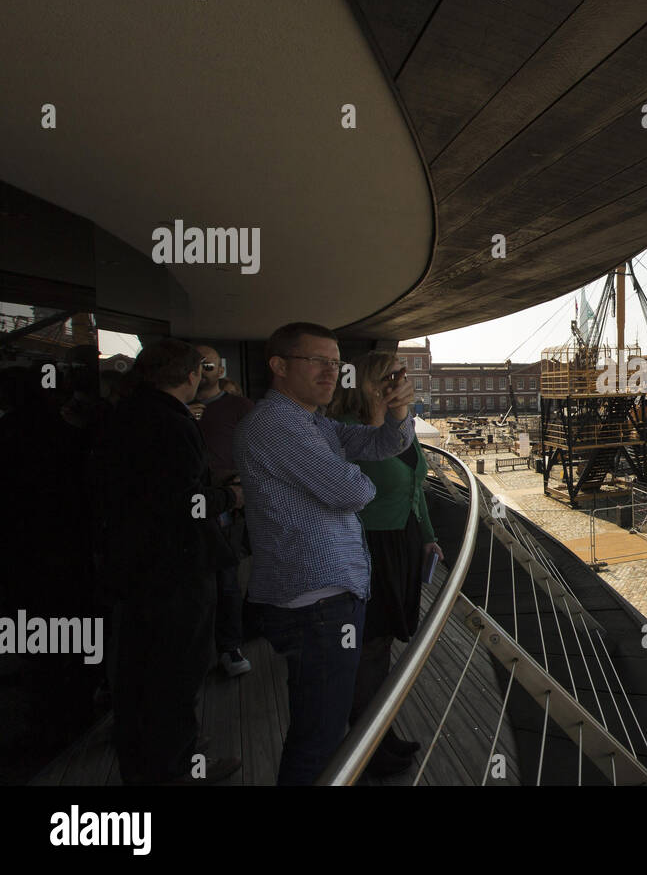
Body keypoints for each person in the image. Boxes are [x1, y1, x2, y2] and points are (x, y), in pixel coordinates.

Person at [233, 322, 416, 785]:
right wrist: (355, 474)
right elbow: (352, 491)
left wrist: (398, 412)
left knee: (323, 726)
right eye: (316, 361)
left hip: (326, 598)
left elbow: (382, 443)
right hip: (314, 604)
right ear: (278, 366)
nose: (330, 372)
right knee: (319, 736)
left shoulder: (311, 422)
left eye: (335, 363)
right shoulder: (275, 425)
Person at [92, 339, 242, 784]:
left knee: (143, 676)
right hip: (175, 572)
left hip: (134, 568)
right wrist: (229, 495)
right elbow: (184, 504)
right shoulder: (172, 423)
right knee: (175, 677)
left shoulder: (125, 414)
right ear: (191, 374)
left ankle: (156, 760)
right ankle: (176, 768)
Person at [327, 351, 441, 776]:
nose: (401, 380)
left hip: (404, 543)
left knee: (382, 645)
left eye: (403, 373)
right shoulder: (347, 436)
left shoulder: (400, 427)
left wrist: (428, 537)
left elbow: (416, 486)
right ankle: (366, 745)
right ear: (366, 384)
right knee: (368, 646)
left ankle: (378, 733)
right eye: (391, 375)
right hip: (370, 548)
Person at [192, 345, 256, 677]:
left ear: (220, 370)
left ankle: (229, 646)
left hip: (224, 505)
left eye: (208, 365)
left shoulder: (239, 407)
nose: (201, 370)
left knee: (226, 578)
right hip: (182, 508)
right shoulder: (174, 409)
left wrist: (237, 483)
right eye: (196, 364)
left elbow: (259, 453)